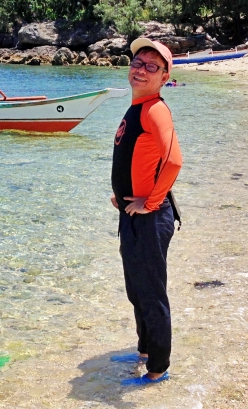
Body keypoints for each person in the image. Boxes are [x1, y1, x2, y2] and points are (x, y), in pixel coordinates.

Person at [110, 38, 183, 387]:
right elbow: (138, 157)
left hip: (151, 218)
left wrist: (150, 202)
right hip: (133, 213)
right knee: (136, 290)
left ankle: (157, 369)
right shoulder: (137, 107)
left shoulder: (155, 109)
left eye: (151, 66)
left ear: (164, 77)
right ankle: (143, 350)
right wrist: (123, 194)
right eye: (138, 62)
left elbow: (173, 161)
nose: (141, 70)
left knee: (151, 293)